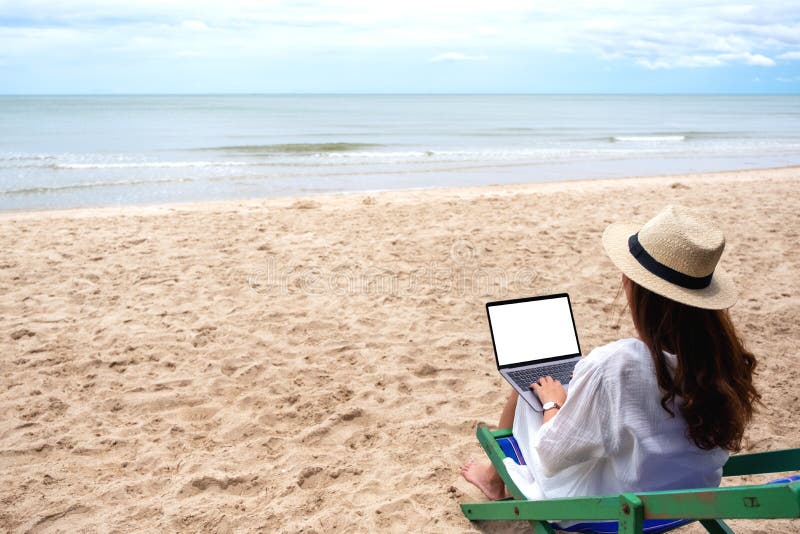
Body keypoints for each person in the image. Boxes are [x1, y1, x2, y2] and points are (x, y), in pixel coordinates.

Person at [462, 204, 760, 502]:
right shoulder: (722, 358)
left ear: (633, 286)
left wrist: (554, 404)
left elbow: (550, 457)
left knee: (534, 387)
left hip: (619, 504)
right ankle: (493, 475)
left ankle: (493, 479)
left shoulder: (618, 364)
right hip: (693, 493)